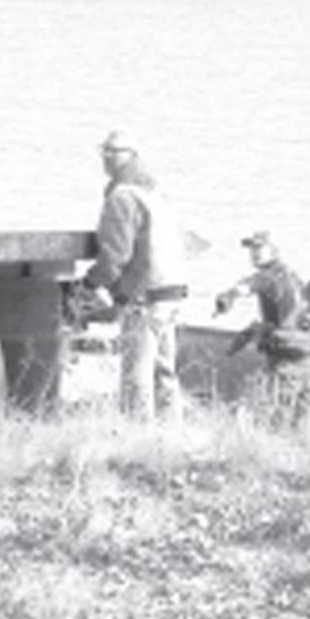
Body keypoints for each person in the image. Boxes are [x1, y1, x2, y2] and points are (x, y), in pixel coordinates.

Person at [81, 131, 189, 423]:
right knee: (165, 372)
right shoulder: (157, 194)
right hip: (173, 291)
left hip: (145, 295)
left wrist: (89, 284)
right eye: (104, 150)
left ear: (132, 155)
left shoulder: (122, 197)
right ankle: (171, 434)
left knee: (136, 375)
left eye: (114, 151)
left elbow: (116, 256)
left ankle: (137, 438)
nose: (106, 157)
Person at [215, 231, 310, 420]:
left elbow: (245, 287)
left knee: (272, 411)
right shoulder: (291, 276)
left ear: (274, 250)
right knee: (303, 416)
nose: (254, 253)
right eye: (252, 249)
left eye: (259, 248)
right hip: (305, 353)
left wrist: (227, 297)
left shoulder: (268, 277)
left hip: (288, 358)